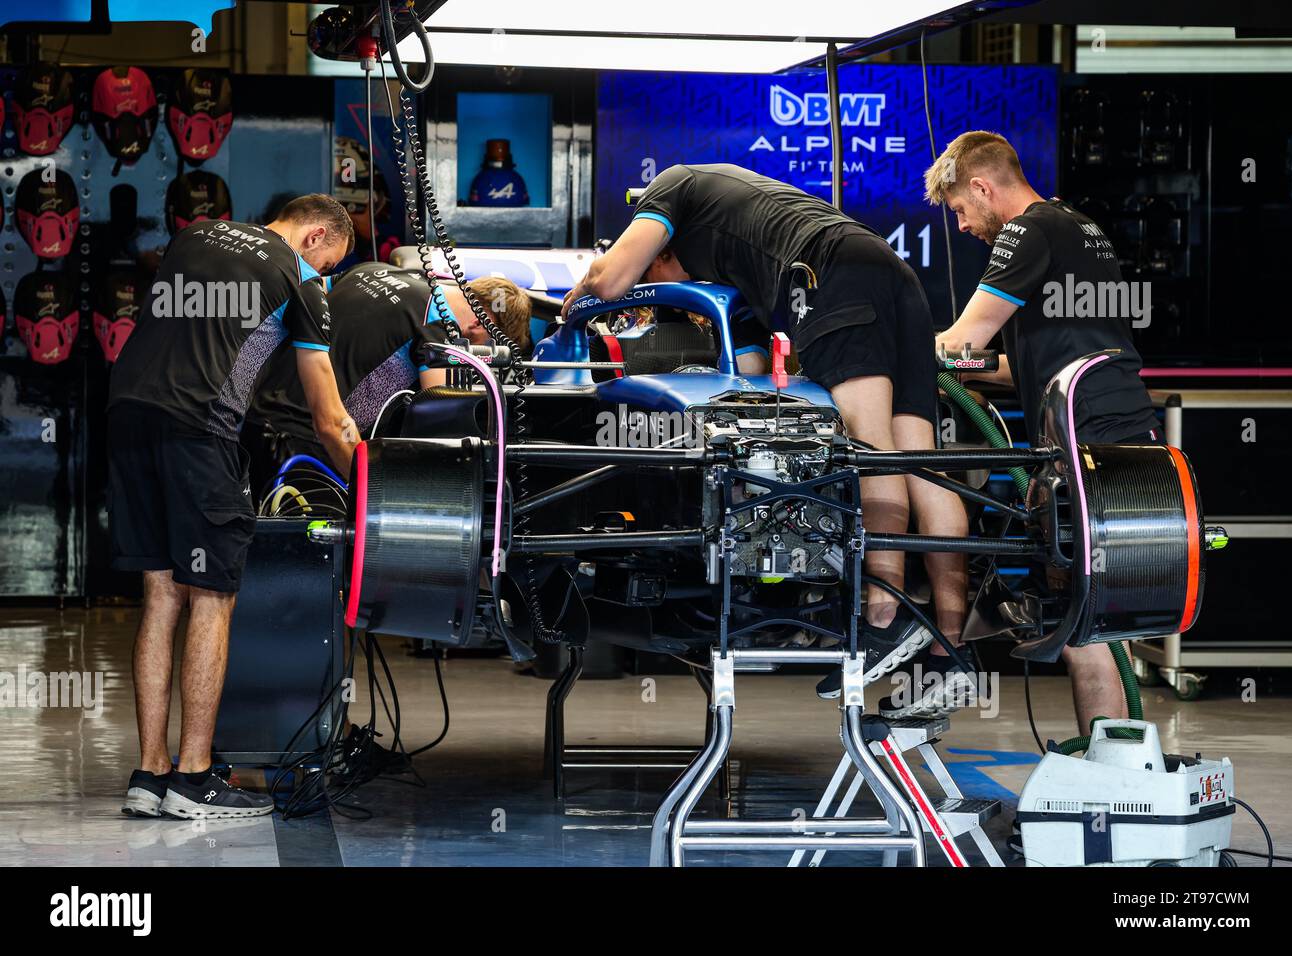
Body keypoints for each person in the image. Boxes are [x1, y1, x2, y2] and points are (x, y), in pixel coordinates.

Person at [562, 163, 970, 700]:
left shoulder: (672, 185)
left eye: (655, 278)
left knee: (868, 449)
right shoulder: (742, 247)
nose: (662, 289)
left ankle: (883, 617)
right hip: (888, 270)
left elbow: (610, 278)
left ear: (657, 247)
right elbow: (749, 373)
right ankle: (951, 648)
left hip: (829, 274)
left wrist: (574, 307)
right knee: (920, 460)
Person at [108, 194, 357, 819]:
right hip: (199, 429)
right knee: (212, 595)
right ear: (315, 236)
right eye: (330, 262)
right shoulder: (299, 277)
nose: (325, 276)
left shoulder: (195, 237)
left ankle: (150, 773)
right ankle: (193, 779)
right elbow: (329, 418)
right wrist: (369, 485)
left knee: (161, 593)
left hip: (127, 414)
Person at [922, 130, 1162, 733]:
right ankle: (1112, 758)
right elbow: (1005, 363)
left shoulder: (1026, 230)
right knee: (1098, 620)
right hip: (1116, 428)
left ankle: (1109, 780)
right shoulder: (1074, 226)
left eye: (959, 210)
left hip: (1089, 437)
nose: (962, 226)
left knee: (1080, 622)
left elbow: (960, 345)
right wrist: (963, 372)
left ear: (981, 186)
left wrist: (889, 357)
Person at [247, 268, 532, 482]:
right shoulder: (436, 330)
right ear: (484, 320)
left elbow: (305, 291)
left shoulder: (373, 269)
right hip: (307, 447)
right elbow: (437, 425)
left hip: (249, 418)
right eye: (487, 345)